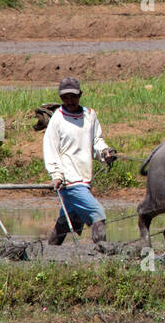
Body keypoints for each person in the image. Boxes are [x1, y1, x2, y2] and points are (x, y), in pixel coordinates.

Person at [42, 77, 117, 245]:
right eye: (65, 97)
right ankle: (102, 253)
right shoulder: (57, 119)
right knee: (97, 213)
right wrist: (56, 174)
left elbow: (96, 140)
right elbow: (50, 150)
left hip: (84, 177)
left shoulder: (89, 115)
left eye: (73, 96)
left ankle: (49, 251)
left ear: (80, 95)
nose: (69, 101)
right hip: (69, 181)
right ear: (61, 98)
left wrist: (105, 152)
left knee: (69, 220)